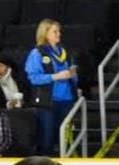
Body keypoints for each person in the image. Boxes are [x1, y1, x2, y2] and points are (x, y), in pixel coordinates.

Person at [25, 20, 79, 157]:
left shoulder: (65, 51)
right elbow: (33, 78)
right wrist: (55, 77)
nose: (58, 34)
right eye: (54, 31)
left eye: (59, 31)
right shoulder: (37, 53)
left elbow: (72, 74)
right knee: (47, 139)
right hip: (48, 102)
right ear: (45, 33)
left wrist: (73, 76)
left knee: (65, 139)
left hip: (67, 100)